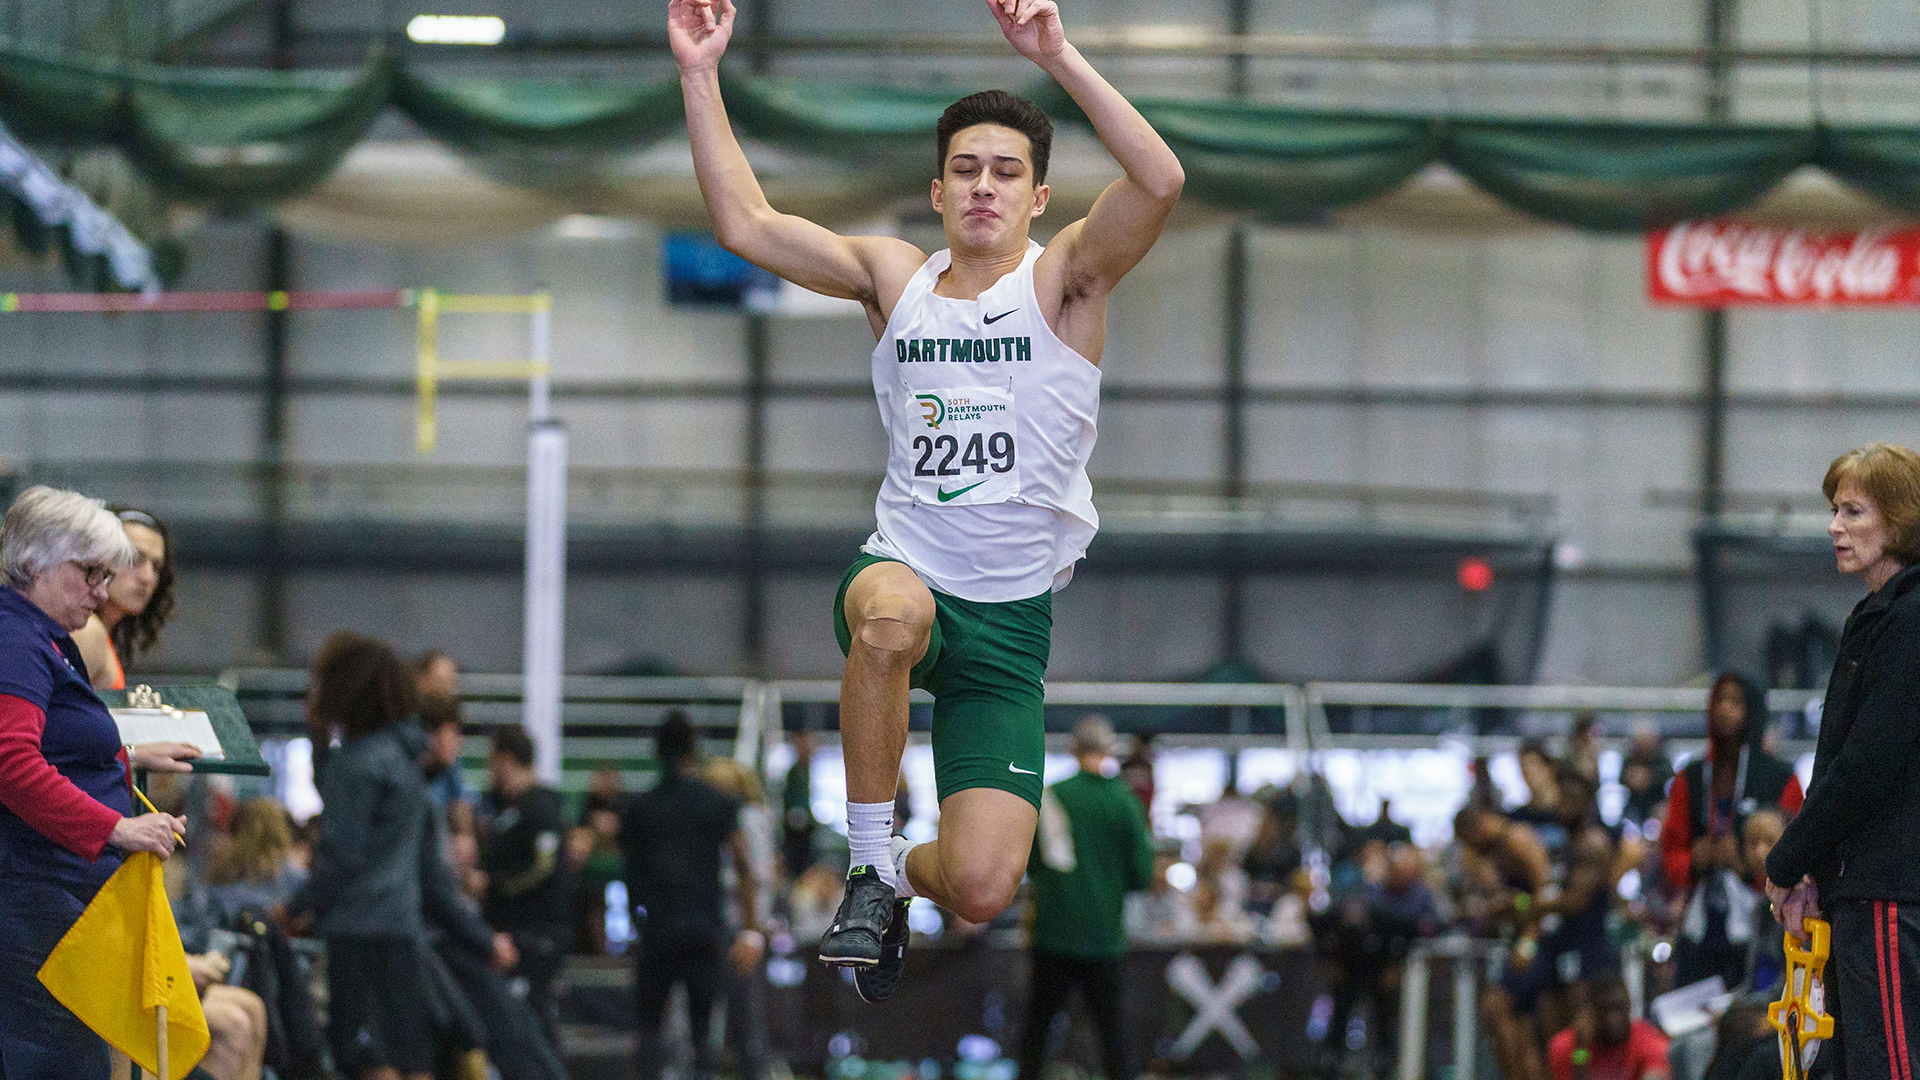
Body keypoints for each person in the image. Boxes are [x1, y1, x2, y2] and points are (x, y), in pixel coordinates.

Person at [669, 0, 1184, 1002]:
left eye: (1006, 172)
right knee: (894, 621)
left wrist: (1059, 55)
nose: (983, 187)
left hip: (1010, 622)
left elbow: (1159, 181)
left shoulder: (1068, 284)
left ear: (1038, 199)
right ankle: (865, 864)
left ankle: (900, 873)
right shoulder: (892, 277)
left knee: (986, 883)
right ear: (936, 190)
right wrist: (699, 71)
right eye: (965, 169)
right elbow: (745, 224)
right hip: (903, 569)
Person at [0, 486, 192, 1079]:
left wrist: (124, 754)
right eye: (89, 573)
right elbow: (11, 763)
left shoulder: (40, 641)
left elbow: (49, 746)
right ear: (35, 560)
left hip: (50, 893)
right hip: (31, 891)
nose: (101, 591)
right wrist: (116, 828)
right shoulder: (17, 640)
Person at [290, 630, 512, 1080]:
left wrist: (296, 907)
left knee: (370, 1062)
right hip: (401, 932)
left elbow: (341, 853)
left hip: (359, 932)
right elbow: (427, 870)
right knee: (411, 1059)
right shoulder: (403, 758)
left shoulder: (358, 762)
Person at [1765, 442, 1920, 1080]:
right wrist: (1814, 871)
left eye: (1854, 512)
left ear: (1901, 520)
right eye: (1834, 510)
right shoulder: (1879, 616)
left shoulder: (1908, 621)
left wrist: (1788, 859)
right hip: (1863, 888)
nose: (1835, 527)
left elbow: (1865, 766)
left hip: (1889, 891)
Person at [621, 711, 765, 1080]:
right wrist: (750, 929)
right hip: (704, 927)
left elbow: (629, 875)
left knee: (649, 1031)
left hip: (657, 929)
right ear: (693, 750)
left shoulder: (640, 808)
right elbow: (744, 867)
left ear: (657, 751)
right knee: (704, 1034)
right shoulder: (715, 803)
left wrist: (636, 923)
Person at [1017, 716, 1155, 1080]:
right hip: (1105, 938)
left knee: (1037, 1032)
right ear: (1109, 750)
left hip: (1053, 933)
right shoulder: (1126, 803)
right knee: (1113, 1037)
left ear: (1074, 749)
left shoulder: (1051, 797)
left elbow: (1030, 863)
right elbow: (1141, 874)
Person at [480, 725, 572, 1043]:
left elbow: (542, 868)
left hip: (536, 934)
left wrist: (493, 885)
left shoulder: (540, 808)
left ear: (505, 759)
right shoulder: (506, 809)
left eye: (490, 760)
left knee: (534, 1022)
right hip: (516, 933)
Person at [71, 506, 174, 691]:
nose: (147, 577)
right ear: (99, 558)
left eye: (157, 567)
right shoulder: (87, 630)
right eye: (133, 558)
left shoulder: (97, 632)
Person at [1544, 974, 1670, 1080]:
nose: (1614, 1018)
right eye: (1605, 1009)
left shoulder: (1646, 1037)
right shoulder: (1567, 1046)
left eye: (1619, 1008)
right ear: (1590, 1011)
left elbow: (1656, 1073)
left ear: (1629, 1005)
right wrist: (1581, 1049)